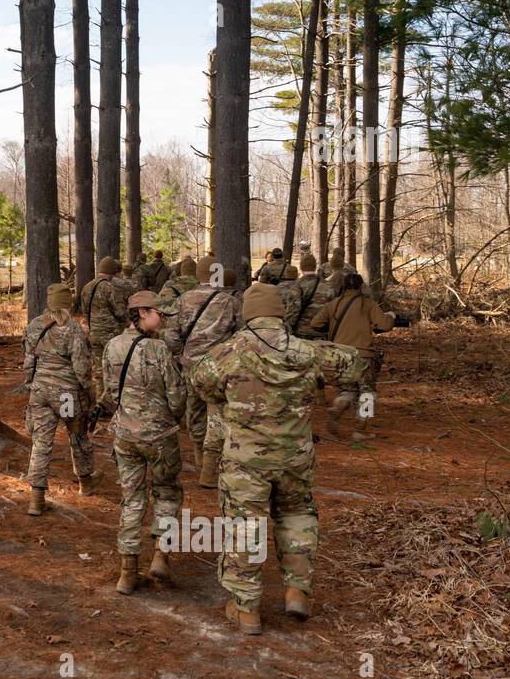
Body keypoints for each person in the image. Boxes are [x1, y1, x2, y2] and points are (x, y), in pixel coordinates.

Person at [193, 284, 365, 635]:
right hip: (295, 458)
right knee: (297, 514)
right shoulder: (307, 351)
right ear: (279, 314)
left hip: (245, 462)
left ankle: (247, 609)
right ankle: (296, 590)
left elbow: (201, 384)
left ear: (248, 315)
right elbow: (353, 362)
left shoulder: (229, 352)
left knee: (245, 526)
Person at [101, 291, 186, 593]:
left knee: (132, 499)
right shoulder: (160, 350)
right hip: (161, 435)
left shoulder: (112, 346)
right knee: (167, 492)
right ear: (142, 313)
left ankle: (127, 572)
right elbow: (176, 396)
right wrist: (172, 417)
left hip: (125, 435)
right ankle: (162, 555)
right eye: (158, 313)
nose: (162, 319)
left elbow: (111, 392)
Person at [166, 254, 241, 488]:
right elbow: (241, 334)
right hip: (219, 366)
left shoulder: (183, 300)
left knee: (194, 407)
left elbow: (171, 335)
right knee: (217, 413)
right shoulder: (230, 302)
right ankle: (210, 466)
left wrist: (182, 355)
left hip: (191, 365)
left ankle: (198, 449)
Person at [22, 283, 95, 515]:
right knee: (77, 435)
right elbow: (81, 367)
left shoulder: (35, 325)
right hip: (65, 394)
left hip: (40, 391)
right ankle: (85, 482)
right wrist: (87, 390)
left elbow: (28, 361)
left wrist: (30, 384)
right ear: (68, 304)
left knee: (41, 444)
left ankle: (36, 498)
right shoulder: (73, 329)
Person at [310, 272, 395, 439]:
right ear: (360, 286)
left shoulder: (334, 304)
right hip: (362, 356)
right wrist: (391, 316)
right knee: (368, 393)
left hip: (339, 356)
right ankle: (360, 430)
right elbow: (384, 325)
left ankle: (339, 405)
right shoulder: (367, 304)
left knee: (348, 388)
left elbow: (315, 323)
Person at [80, 256, 127, 400]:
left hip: (93, 333)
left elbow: (83, 310)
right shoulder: (109, 287)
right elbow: (120, 312)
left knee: (99, 370)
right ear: (112, 271)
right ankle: (113, 401)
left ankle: (101, 402)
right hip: (111, 335)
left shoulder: (87, 287)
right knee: (114, 368)